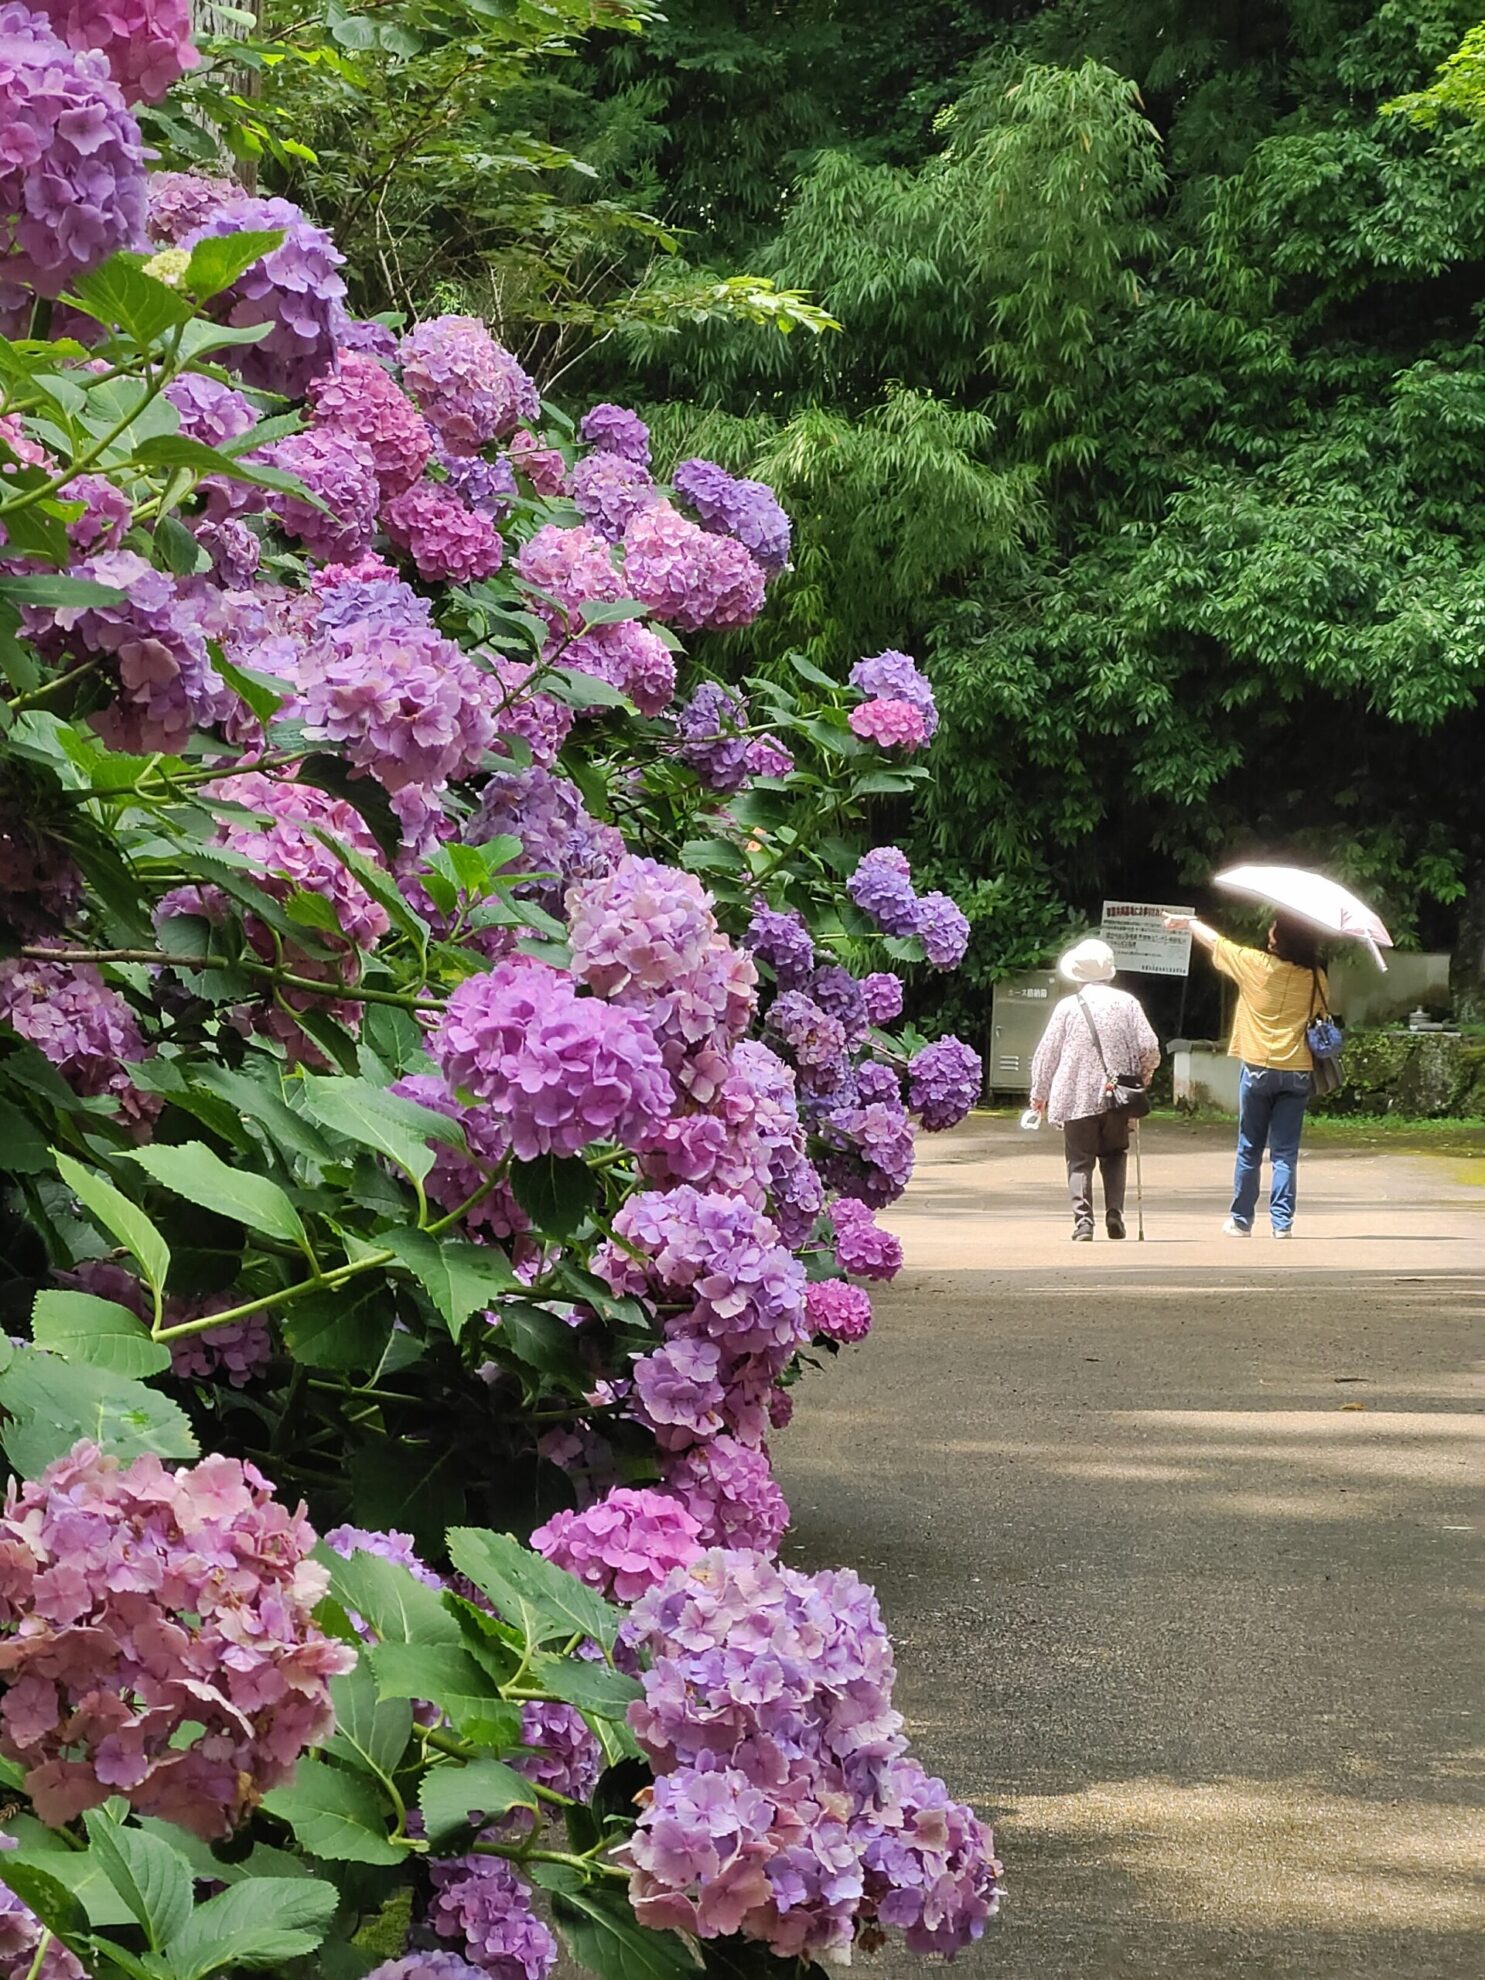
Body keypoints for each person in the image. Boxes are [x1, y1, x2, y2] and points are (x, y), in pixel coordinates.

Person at [1163, 909, 1327, 1238]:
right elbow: (1320, 1016)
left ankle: (1241, 1220)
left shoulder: (1255, 964)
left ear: (1279, 938)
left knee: (1250, 1147)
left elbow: (1216, 942)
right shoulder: (1316, 977)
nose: (1269, 932)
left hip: (1257, 1068)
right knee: (1285, 1153)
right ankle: (1282, 1225)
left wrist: (1190, 923)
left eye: (1274, 929)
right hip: (1297, 1070)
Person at [1029, 938, 1160, 1242]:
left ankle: (1083, 1223)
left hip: (1075, 1096)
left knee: (1079, 1159)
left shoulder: (1067, 1007)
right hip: (1118, 1095)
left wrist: (1039, 1094)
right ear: (1109, 972)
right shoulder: (1128, 1003)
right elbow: (1149, 1046)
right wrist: (1143, 1076)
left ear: (1077, 975)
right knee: (1115, 1154)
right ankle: (1115, 1213)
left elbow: (1047, 1053)